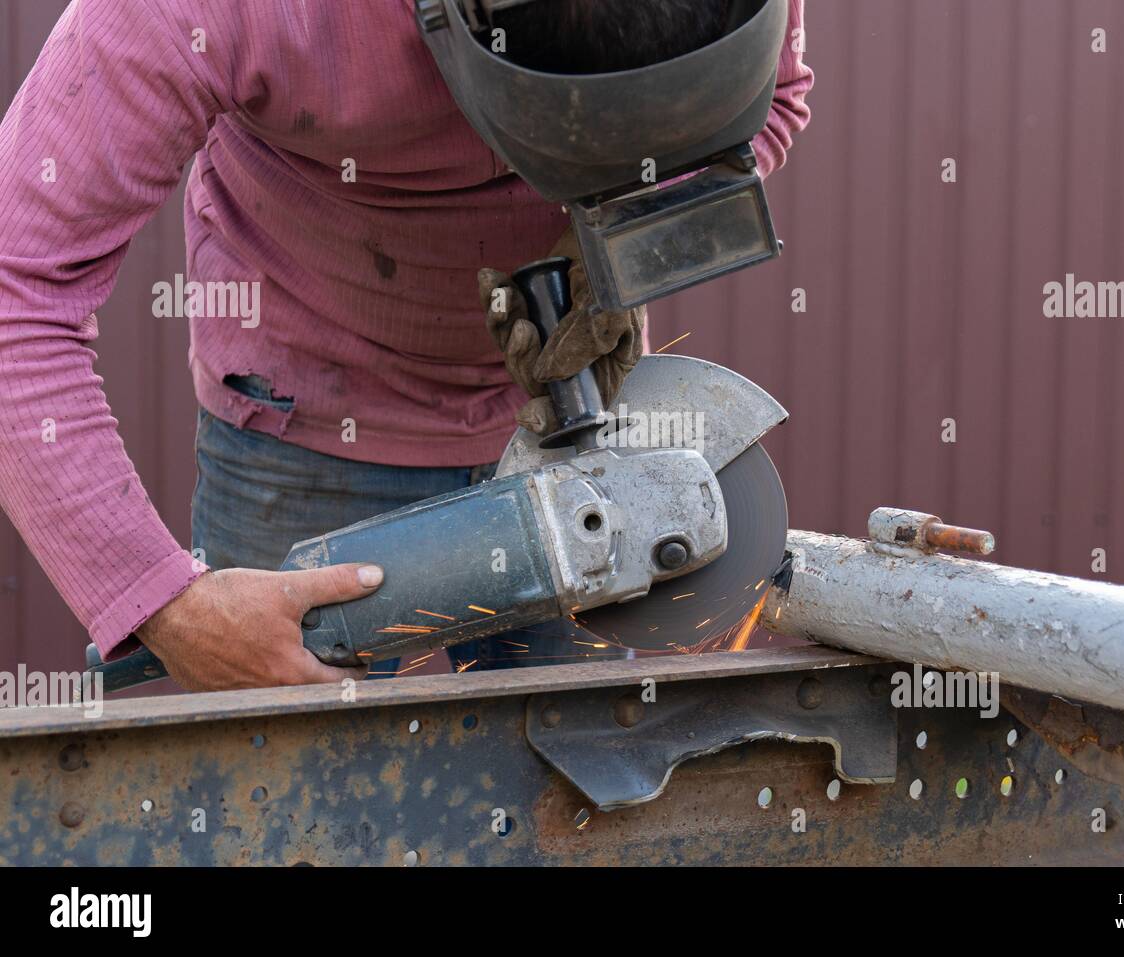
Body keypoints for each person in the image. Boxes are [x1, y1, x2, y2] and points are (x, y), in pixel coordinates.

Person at [0, 0, 812, 691]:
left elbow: (771, 104)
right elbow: (15, 288)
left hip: (567, 427)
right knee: (288, 810)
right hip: (308, 419)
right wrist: (161, 603)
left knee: (578, 806)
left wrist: (615, 251)